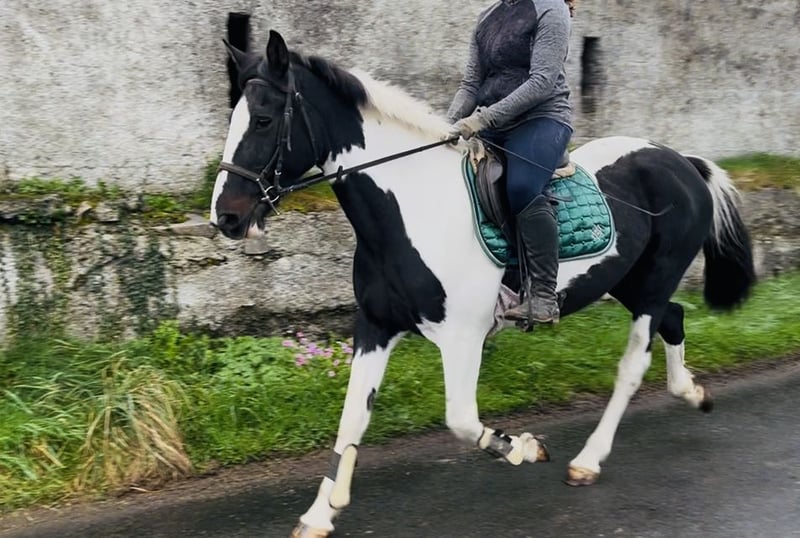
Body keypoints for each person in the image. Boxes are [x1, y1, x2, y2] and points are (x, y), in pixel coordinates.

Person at [447, 0, 575, 326]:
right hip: (495, 126)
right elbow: (470, 85)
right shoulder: (487, 16)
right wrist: (446, 124)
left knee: (521, 186)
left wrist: (482, 119)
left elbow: (542, 81)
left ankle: (544, 296)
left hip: (542, 119)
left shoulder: (551, 10)